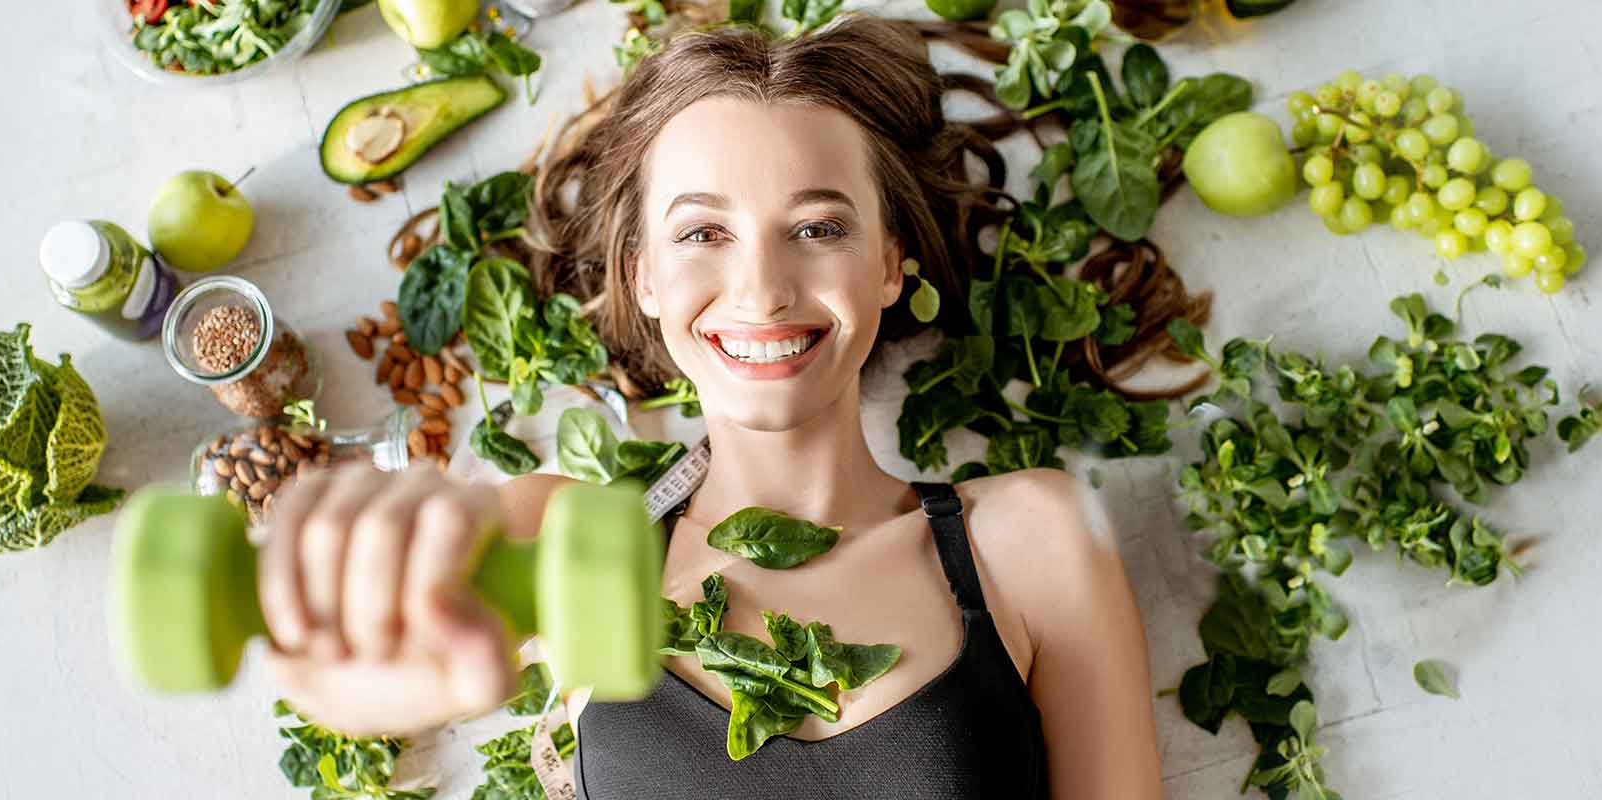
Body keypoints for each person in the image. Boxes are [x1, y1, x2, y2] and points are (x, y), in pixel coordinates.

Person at [260, 15, 1163, 799]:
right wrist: (379, 634)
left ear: (890, 262)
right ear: (645, 276)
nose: (763, 291)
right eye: (703, 233)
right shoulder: (570, 539)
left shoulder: (1030, 542)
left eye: (818, 228)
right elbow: (335, 676)